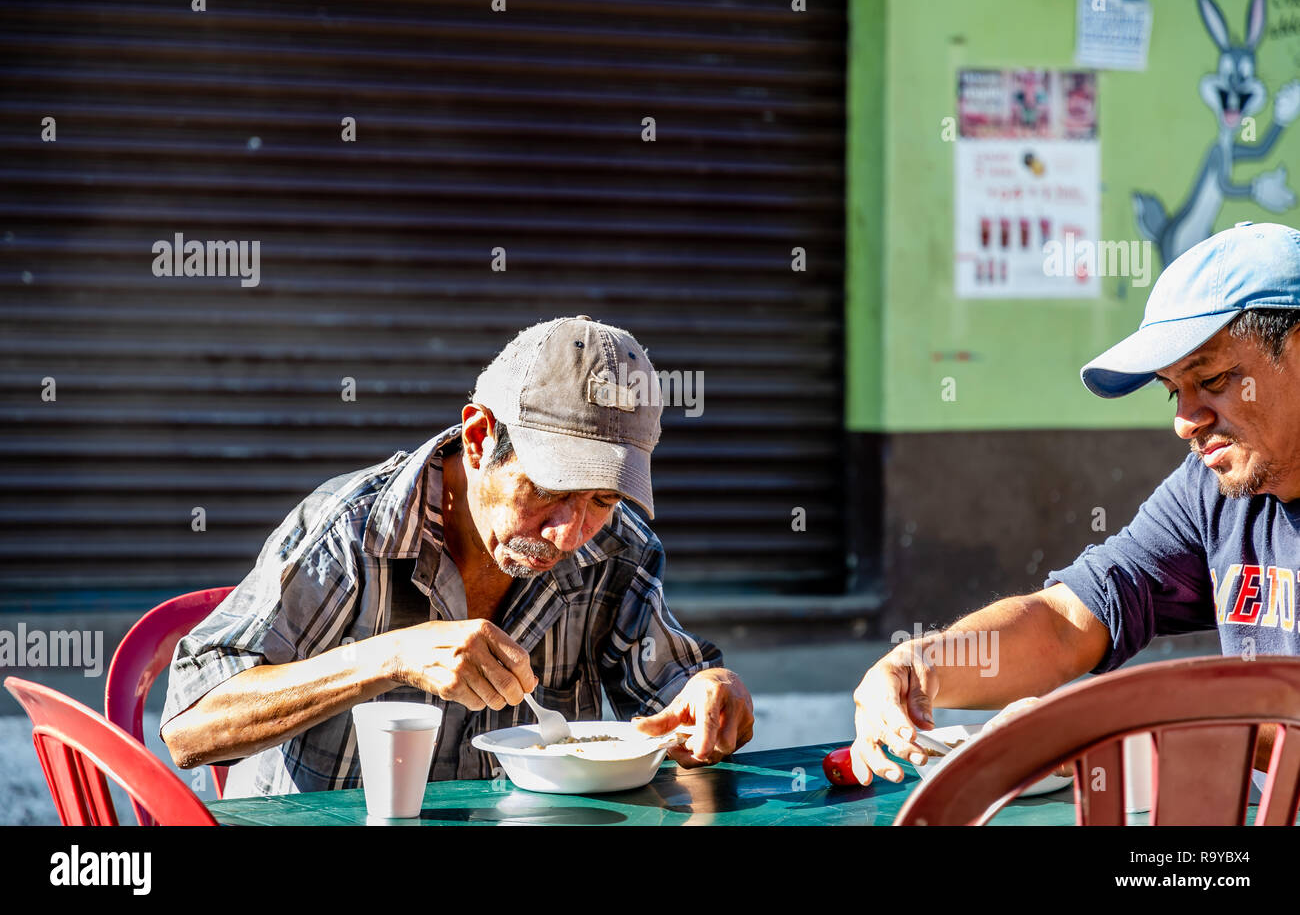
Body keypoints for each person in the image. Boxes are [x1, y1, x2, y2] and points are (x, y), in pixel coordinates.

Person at [161, 316, 754, 796]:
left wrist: (715, 694)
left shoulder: (616, 548)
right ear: (478, 439)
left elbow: (674, 700)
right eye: (547, 490)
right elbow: (190, 726)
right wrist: (390, 656)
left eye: (601, 499)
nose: (569, 533)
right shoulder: (352, 530)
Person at [849, 221, 1300, 785]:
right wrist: (920, 666)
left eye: (1212, 378)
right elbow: (1067, 622)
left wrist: (1107, 721)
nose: (1185, 421)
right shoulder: (1212, 489)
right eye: (1173, 391)